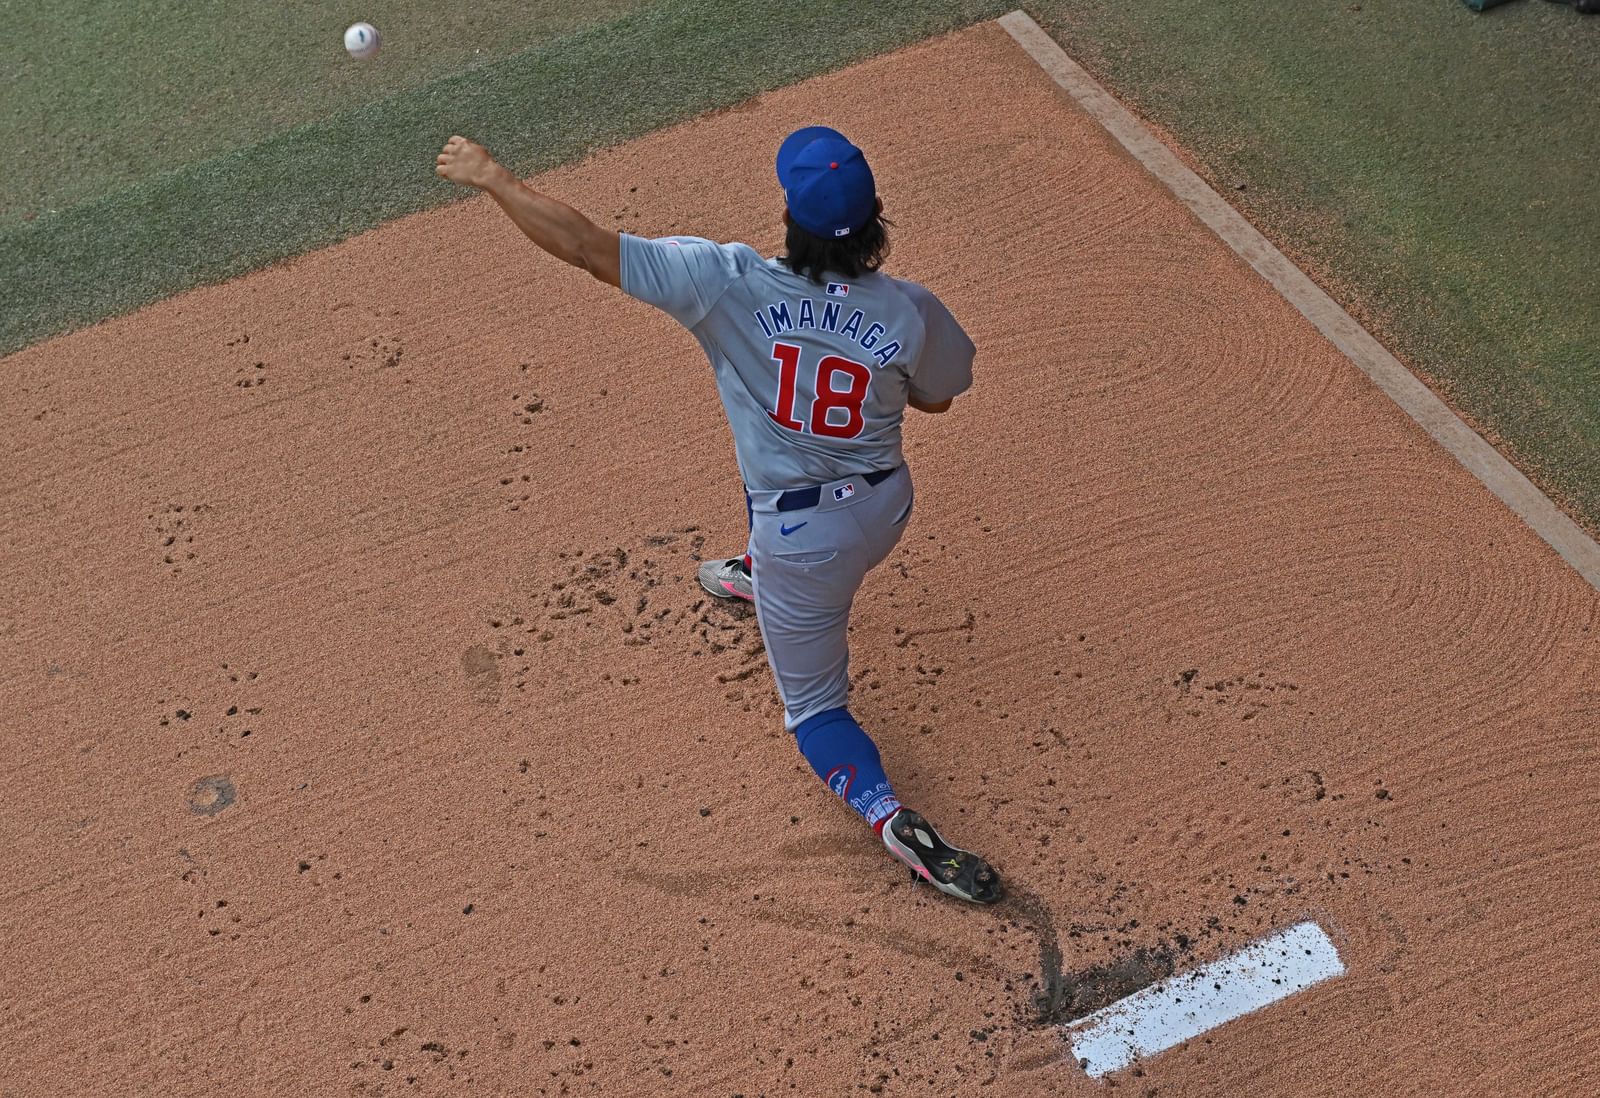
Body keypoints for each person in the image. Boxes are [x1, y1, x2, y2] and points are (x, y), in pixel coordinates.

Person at [436, 126, 1000, 904]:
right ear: (876, 223)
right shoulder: (911, 310)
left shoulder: (724, 281)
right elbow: (938, 396)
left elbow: (589, 249)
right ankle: (758, 575)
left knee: (814, 712)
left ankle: (887, 815)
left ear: (789, 220)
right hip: (886, 507)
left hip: (803, 546)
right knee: (781, 462)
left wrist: (495, 178)